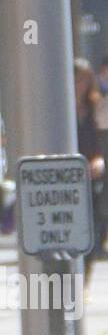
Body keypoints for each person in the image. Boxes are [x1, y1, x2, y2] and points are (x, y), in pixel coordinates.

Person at [74, 59, 108, 282]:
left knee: (91, 224)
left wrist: (99, 161)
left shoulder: (98, 106)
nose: (80, 84)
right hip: (69, 174)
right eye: (77, 79)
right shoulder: (56, 108)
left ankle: (84, 277)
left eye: (84, 79)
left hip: (91, 173)